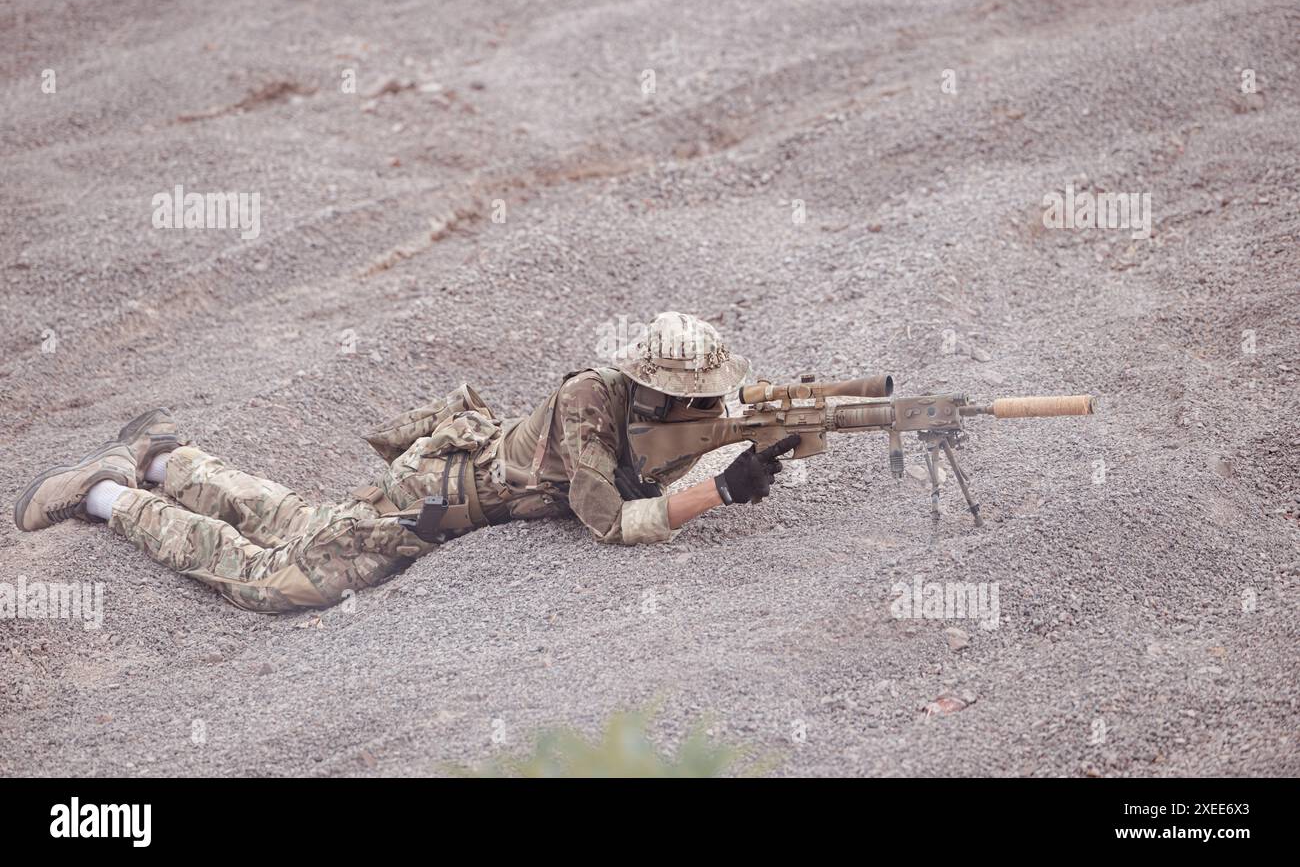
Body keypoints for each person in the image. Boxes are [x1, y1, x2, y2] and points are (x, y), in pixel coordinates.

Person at [13, 312, 796, 612]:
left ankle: (167, 458)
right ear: (654, 387)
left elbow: (681, 444)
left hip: (443, 487)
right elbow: (611, 521)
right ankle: (106, 494)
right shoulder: (591, 401)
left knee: (300, 520)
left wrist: (749, 439)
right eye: (694, 400)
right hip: (433, 497)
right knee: (283, 582)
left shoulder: (663, 414)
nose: (704, 410)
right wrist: (720, 494)